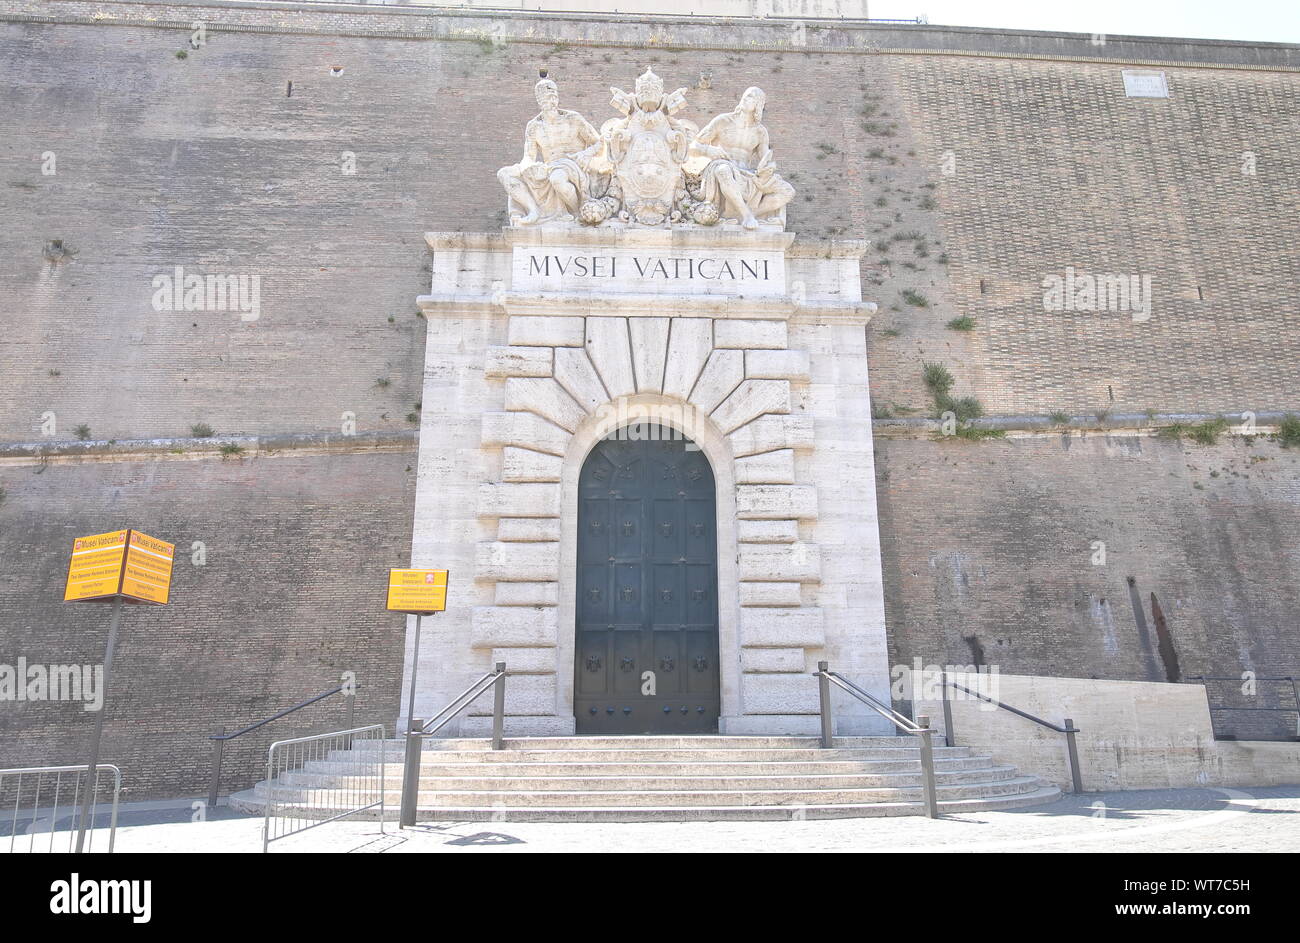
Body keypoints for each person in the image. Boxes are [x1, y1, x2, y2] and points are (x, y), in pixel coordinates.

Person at [497, 78, 601, 225]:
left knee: (557, 178)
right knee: (505, 174)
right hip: (549, 167)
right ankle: (533, 211)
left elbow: (600, 143)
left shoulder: (573, 119)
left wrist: (586, 153)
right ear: (539, 102)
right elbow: (528, 156)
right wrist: (529, 167)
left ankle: (577, 212)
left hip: (573, 165)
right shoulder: (534, 127)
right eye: (547, 98)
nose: (552, 101)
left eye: (554, 97)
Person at [691, 87, 795, 230]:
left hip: (747, 173)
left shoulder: (760, 132)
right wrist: (709, 150)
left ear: (758, 105)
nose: (745, 99)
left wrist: (768, 168)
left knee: (788, 191)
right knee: (723, 171)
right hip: (721, 166)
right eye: (745, 96)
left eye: (751, 97)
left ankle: (751, 214)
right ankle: (746, 215)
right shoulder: (723, 121)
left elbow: (766, 159)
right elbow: (692, 147)